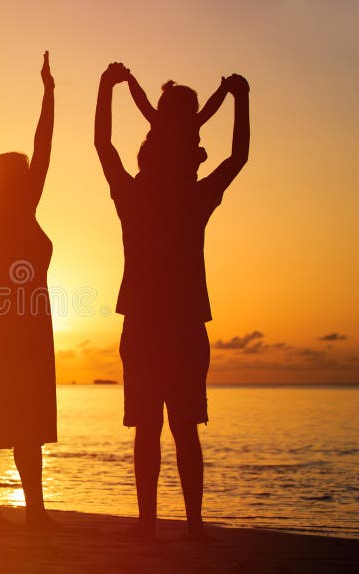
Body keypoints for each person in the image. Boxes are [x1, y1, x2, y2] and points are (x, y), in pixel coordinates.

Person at [94, 62, 250, 541]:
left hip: (146, 326)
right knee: (184, 429)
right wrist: (241, 99)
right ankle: (192, 525)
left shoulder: (135, 195)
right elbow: (237, 157)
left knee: (151, 429)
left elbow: (103, 145)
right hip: (180, 327)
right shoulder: (192, 197)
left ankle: (151, 523)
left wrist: (106, 88)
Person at [0, 51, 56, 530]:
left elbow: (41, 149)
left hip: (25, 327)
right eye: (22, 174)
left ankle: (30, 511)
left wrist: (49, 94)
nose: (30, 175)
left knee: (27, 423)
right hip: (11, 325)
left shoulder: (15, 214)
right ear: (12, 183)